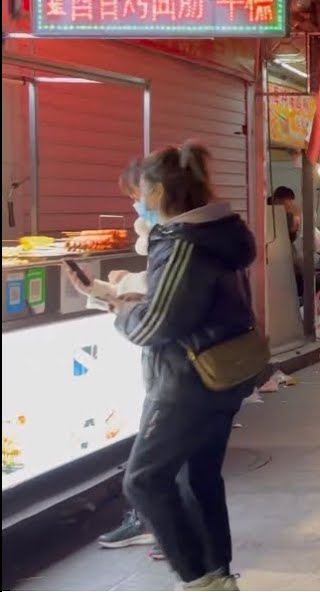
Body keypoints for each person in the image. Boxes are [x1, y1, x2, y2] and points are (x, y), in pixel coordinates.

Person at [67, 142, 256, 591]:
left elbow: (158, 323)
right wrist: (111, 295)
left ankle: (199, 579)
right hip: (221, 372)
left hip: (186, 380)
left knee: (144, 481)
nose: (136, 205)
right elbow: (181, 303)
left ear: (157, 192)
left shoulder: (183, 242)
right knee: (197, 476)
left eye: (138, 195)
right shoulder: (216, 234)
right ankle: (217, 577)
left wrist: (121, 312)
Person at [90, 160, 165, 562]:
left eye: (137, 196)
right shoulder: (176, 232)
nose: (137, 205)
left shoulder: (175, 234)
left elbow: (163, 293)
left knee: (152, 462)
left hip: (175, 368)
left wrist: (122, 289)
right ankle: (174, 534)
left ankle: (169, 533)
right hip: (185, 369)